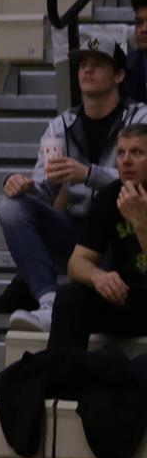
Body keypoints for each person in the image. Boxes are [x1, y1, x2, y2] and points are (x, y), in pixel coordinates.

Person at [0, 33, 147, 333]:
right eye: (82, 65)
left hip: (126, 234)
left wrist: (89, 174)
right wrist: (20, 184)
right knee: (12, 207)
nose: (86, 71)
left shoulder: (140, 118)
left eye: (97, 64)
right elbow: (43, 186)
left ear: (119, 75)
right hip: (78, 233)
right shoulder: (61, 125)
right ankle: (49, 302)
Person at [45, 123, 147, 352]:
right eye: (121, 153)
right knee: (70, 297)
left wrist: (140, 222)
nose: (126, 160)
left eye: (137, 152)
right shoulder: (111, 195)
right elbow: (75, 264)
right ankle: (61, 381)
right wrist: (97, 276)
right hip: (130, 298)